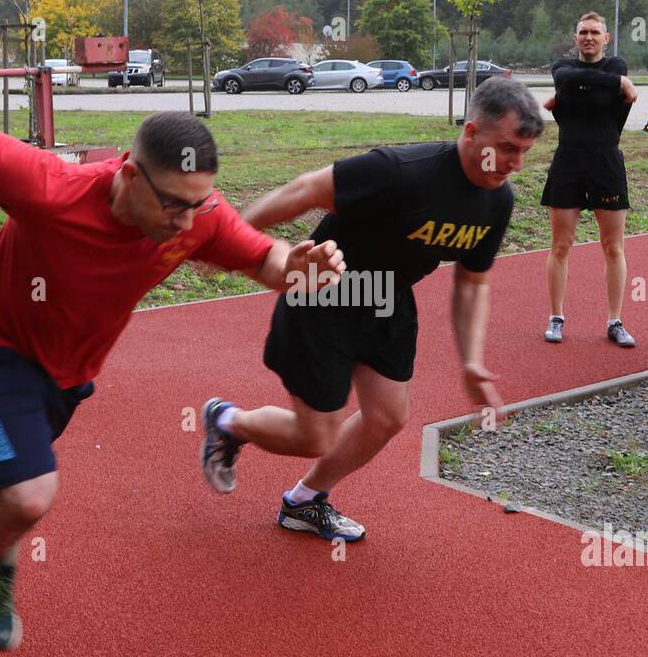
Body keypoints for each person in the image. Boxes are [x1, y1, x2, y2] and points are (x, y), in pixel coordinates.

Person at [0, 111, 344, 650]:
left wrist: (297, 269)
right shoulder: (53, 187)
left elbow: (265, 259)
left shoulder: (197, 217)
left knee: (0, 467)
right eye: (173, 203)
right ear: (130, 174)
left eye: (198, 205)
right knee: (28, 492)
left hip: (67, 370)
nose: (185, 222)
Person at [198, 77, 544, 541]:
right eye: (505, 148)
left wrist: (471, 362)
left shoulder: (496, 202)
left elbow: (471, 283)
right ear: (471, 133)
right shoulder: (401, 170)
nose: (514, 164)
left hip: (388, 296)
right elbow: (304, 189)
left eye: (524, 151)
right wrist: (231, 244)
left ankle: (304, 502)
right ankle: (226, 420)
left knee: (386, 418)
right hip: (324, 289)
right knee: (314, 435)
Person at [540, 11, 639, 349]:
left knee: (613, 247)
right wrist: (616, 86)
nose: (589, 37)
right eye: (583, 32)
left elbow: (571, 91)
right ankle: (556, 317)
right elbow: (565, 79)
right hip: (568, 160)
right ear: (575, 37)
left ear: (606, 38)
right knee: (560, 245)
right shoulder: (561, 67)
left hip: (606, 161)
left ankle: (615, 320)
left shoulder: (617, 64)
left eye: (595, 32)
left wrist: (577, 90)